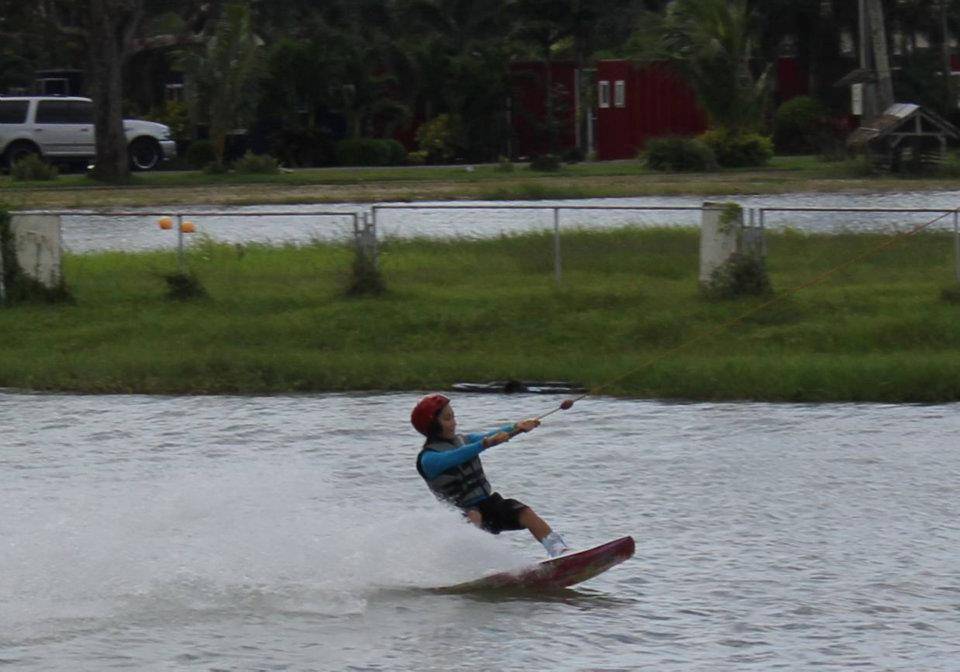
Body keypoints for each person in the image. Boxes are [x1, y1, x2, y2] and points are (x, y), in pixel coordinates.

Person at [411, 393, 569, 557]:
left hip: (487, 503)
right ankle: (475, 567)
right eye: (447, 418)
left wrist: (518, 427)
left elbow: (490, 435)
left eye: (453, 416)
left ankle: (559, 550)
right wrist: (485, 444)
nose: (454, 423)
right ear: (433, 426)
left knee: (525, 513)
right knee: (474, 516)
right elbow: (457, 456)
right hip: (459, 513)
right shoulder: (429, 459)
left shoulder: (465, 440)